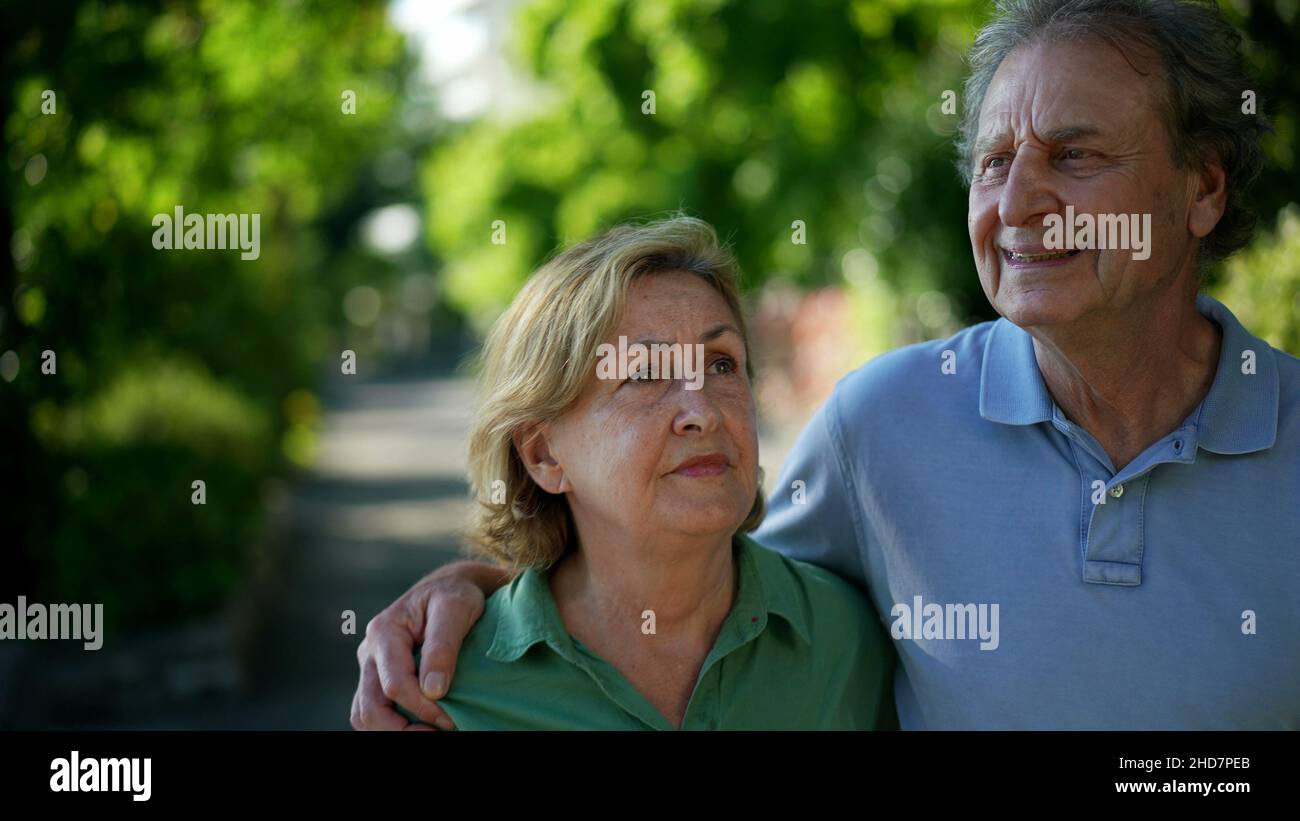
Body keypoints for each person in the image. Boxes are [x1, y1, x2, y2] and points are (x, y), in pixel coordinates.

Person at [354, 0, 1299, 730]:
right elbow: (685, 570)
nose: (1018, 201)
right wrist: (479, 591)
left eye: (1076, 154)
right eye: (993, 160)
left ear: (1202, 187)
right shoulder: (884, 424)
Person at [359, 216, 896, 730]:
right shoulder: (443, 689)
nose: (702, 411)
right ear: (543, 455)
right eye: (643, 373)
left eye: (721, 364)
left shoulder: (847, 640)